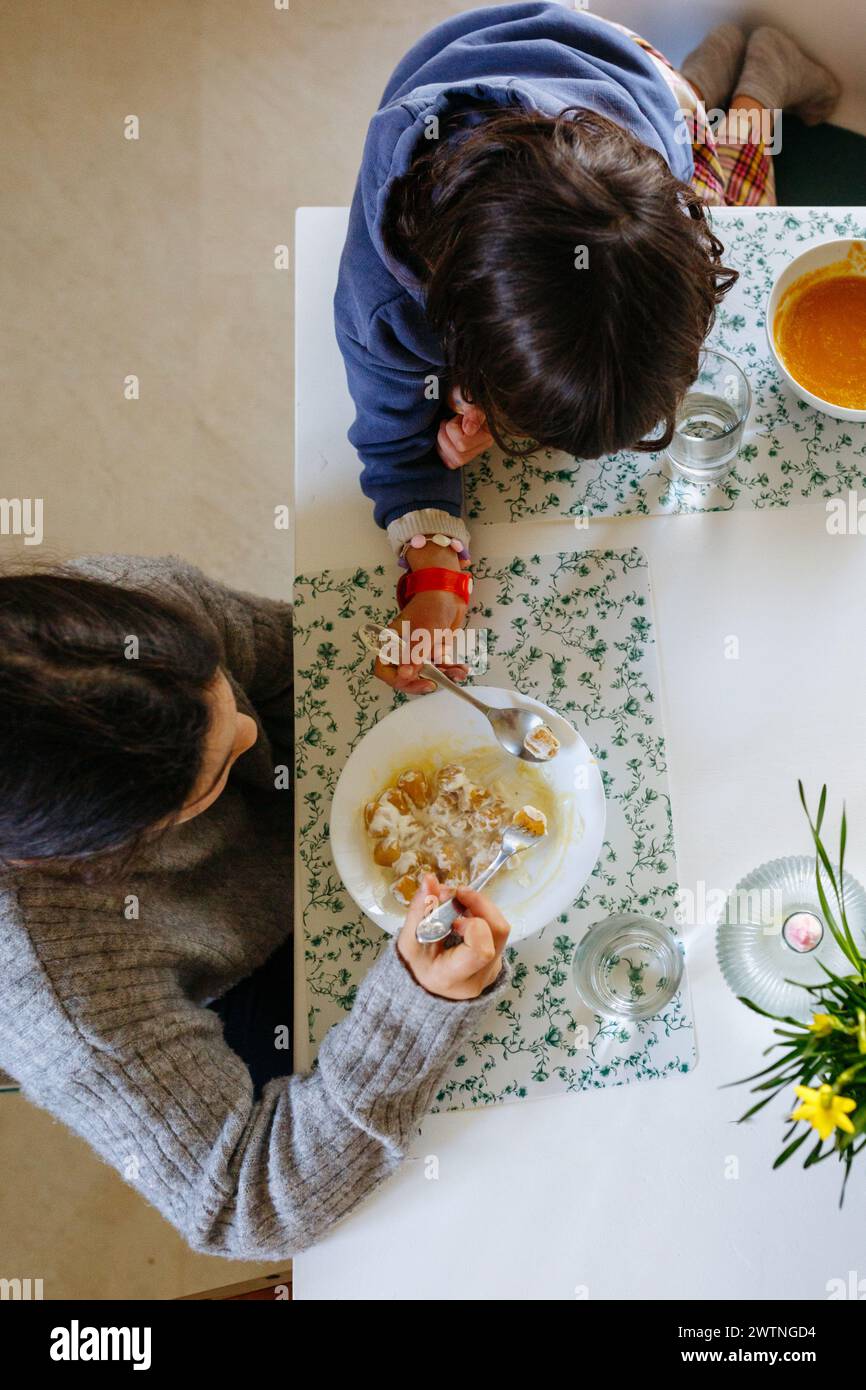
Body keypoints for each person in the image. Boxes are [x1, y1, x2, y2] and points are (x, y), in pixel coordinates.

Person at [0, 555, 510, 1258]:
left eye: (222, 695)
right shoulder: (53, 988)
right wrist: (414, 1007)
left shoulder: (134, 619)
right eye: (208, 775)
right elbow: (246, 1207)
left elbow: (288, 659)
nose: (246, 732)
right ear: (105, 848)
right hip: (237, 976)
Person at [333, 6, 840, 694]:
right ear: (469, 357)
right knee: (731, 173)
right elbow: (394, 446)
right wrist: (434, 573)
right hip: (572, 70)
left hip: (634, 81)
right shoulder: (384, 306)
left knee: (737, 196)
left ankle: (749, 85)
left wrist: (485, 397)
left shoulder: (646, 196)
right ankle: (736, 75)